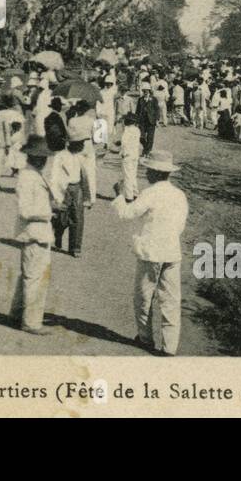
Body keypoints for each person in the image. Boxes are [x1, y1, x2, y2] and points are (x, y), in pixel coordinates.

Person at [111, 149, 188, 356]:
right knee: (170, 301)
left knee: (143, 297)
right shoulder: (180, 196)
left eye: (148, 170)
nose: (146, 173)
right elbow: (179, 226)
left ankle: (145, 338)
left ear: (154, 172)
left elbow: (127, 214)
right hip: (172, 252)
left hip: (151, 252)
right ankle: (169, 348)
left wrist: (119, 196)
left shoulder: (150, 193)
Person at [9, 136, 62, 335]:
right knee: (35, 278)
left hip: (38, 233)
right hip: (34, 233)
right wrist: (49, 213)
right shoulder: (27, 177)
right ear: (35, 158)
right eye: (42, 157)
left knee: (29, 275)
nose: (45, 160)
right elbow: (25, 210)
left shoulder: (33, 175)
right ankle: (31, 322)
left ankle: (17, 314)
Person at [49, 134, 86, 257]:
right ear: (70, 143)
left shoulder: (81, 156)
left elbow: (86, 177)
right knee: (62, 216)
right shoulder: (60, 156)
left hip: (77, 187)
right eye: (79, 143)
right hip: (64, 188)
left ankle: (75, 247)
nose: (82, 146)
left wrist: (88, 196)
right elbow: (54, 176)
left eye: (83, 143)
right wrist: (55, 195)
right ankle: (57, 232)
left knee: (77, 216)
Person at [66, 101, 99, 208]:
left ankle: (79, 197)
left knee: (76, 171)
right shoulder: (91, 120)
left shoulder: (72, 121)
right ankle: (91, 197)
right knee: (90, 171)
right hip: (88, 144)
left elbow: (69, 136)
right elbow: (95, 137)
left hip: (76, 145)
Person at [117, 112, 141, 200]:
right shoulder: (137, 130)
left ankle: (128, 196)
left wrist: (123, 153)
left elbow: (124, 143)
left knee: (127, 176)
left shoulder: (126, 130)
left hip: (127, 155)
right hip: (135, 155)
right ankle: (135, 193)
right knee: (133, 175)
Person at [135, 85, 158, 154]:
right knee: (141, 137)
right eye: (144, 91)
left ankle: (147, 151)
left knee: (150, 138)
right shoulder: (140, 99)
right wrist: (136, 120)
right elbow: (137, 110)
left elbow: (157, 110)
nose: (145, 92)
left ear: (149, 91)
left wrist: (157, 120)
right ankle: (146, 148)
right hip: (142, 121)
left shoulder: (154, 99)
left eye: (146, 90)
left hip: (151, 121)